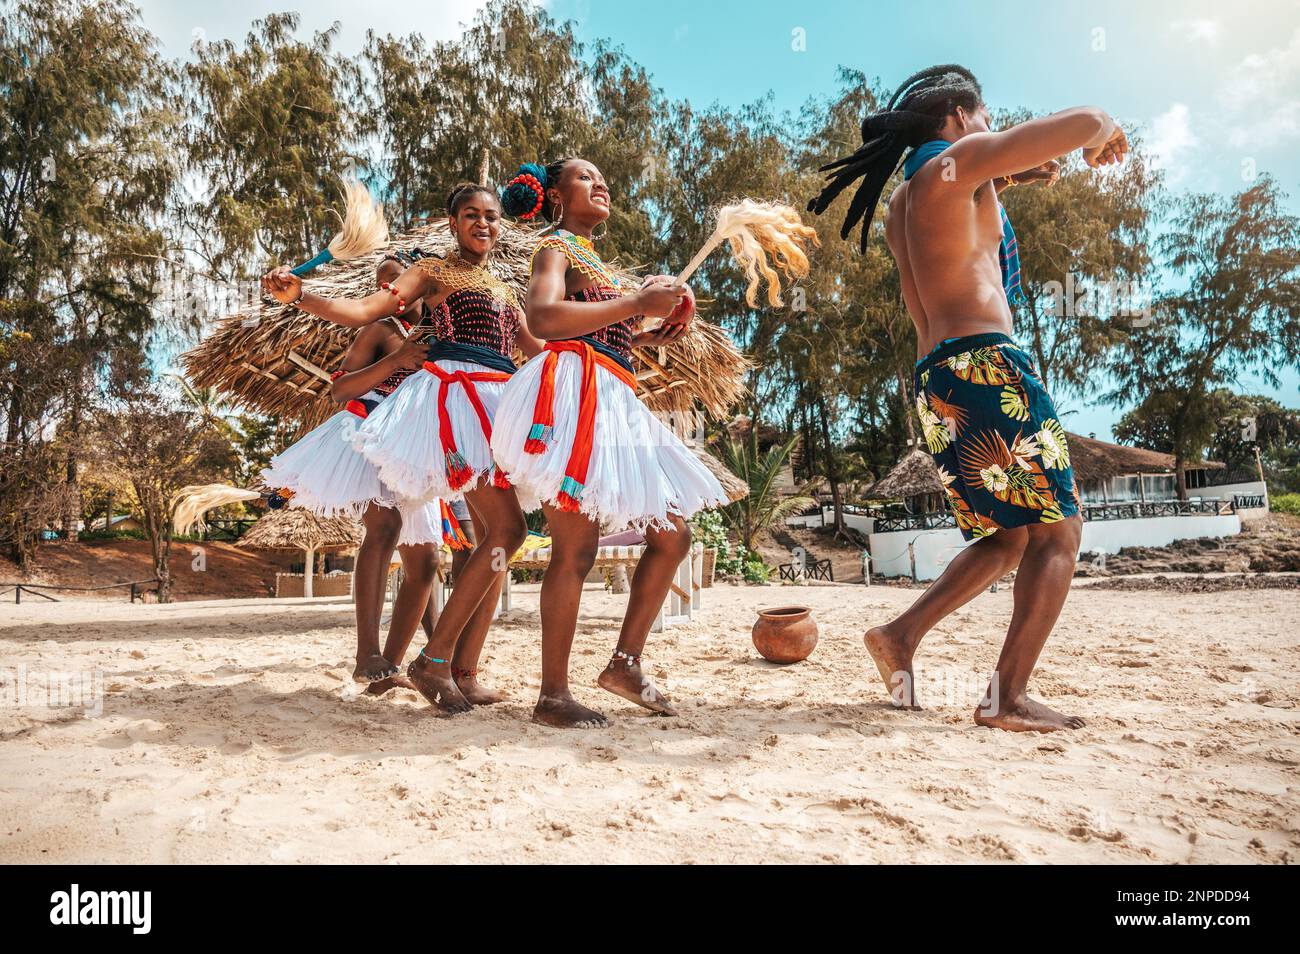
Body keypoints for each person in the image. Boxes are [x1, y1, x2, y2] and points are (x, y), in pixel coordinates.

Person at [808, 65, 1127, 733]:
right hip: (988, 365)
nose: (990, 129)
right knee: (1060, 532)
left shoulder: (908, 198)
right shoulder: (961, 157)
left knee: (1008, 537)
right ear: (957, 117)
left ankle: (899, 635)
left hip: (939, 378)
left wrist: (1009, 176)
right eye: (986, 117)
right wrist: (1104, 129)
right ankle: (1006, 698)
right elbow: (1084, 121)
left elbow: (958, 220)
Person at [261, 184, 539, 711]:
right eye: (471, 215)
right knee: (501, 530)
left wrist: (628, 338)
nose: (483, 224)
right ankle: (430, 662)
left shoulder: (506, 290)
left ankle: (461, 668)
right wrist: (301, 295)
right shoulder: (432, 271)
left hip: (499, 407)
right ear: (452, 221)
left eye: (491, 217)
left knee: (494, 537)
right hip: (457, 403)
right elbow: (364, 310)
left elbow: (543, 350)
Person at [493, 157, 728, 728]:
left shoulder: (597, 263)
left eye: (604, 178)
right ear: (553, 196)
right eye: (584, 177)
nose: (601, 184)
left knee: (673, 535)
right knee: (576, 550)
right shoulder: (555, 248)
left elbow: (609, 333)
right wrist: (633, 305)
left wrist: (655, 327)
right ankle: (553, 695)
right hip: (575, 396)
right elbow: (545, 318)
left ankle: (624, 663)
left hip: (614, 399)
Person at [260, 256, 450, 692]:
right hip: (366, 433)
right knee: (383, 527)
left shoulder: (438, 333)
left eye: (394, 278)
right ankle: (367, 653)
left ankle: (388, 669)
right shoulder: (378, 332)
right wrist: (396, 361)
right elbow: (340, 389)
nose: (388, 286)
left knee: (426, 562)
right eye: (381, 281)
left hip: (413, 446)